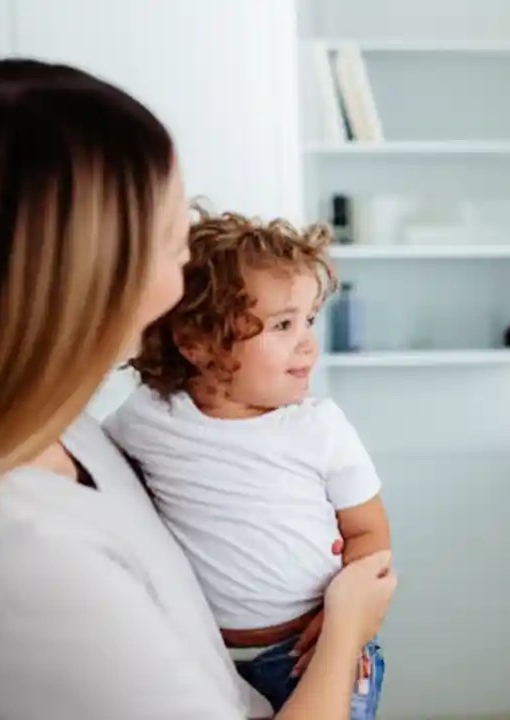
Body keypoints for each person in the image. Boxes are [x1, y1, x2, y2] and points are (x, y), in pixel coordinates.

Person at [0, 58, 396, 720]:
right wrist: (346, 625)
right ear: (90, 275)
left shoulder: (72, 433)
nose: (188, 275)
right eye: (174, 241)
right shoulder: (19, 562)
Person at [104, 207, 392, 718]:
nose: (307, 341)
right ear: (197, 344)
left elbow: (369, 535)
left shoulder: (318, 428)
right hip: (204, 650)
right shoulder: (149, 417)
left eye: (308, 320)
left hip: (304, 652)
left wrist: (343, 626)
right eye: (282, 324)